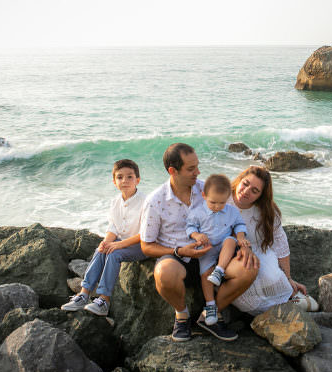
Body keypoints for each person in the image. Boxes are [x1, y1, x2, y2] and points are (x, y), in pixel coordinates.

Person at [140, 143, 259, 342]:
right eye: (191, 168)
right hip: (178, 259)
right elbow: (146, 245)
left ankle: (210, 314)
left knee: (249, 268)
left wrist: (244, 244)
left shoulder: (208, 188)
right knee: (164, 273)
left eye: (197, 166)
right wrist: (180, 251)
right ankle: (182, 315)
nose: (198, 172)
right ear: (173, 171)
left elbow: (234, 217)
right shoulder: (155, 201)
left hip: (216, 257)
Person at [61, 159, 147, 316]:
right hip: (123, 243)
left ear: (138, 180)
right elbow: (113, 228)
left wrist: (118, 245)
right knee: (102, 249)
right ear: (114, 182)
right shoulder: (115, 202)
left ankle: (104, 300)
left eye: (129, 177)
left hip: (143, 245)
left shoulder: (145, 202)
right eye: (120, 177)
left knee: (113, 253)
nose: (125, 181)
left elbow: (146, 234)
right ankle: (83, 294)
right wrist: (106, 242)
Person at [228, 165, 308, 316]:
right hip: (227, 255)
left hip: (257, 251)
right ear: (239, 180)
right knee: (247, 295)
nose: (246, 192)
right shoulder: (221, 197)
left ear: (261, 195)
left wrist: (288, 277)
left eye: (254, 191)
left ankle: (285, 303)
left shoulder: (266, 211)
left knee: (273, 278)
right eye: (245, 184)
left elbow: (280, 241)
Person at [186, 174, 249, 326]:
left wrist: (240, 236)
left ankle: (219, 270)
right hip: (206, 249)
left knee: (230, 240)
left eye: (222, 202)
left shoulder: (232, 211)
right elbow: (190, 227)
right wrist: (197, 235)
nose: (217, 206)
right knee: (205, 273)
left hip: (224, 248)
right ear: (204, 195)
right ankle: (210, 305)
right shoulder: (197, 212)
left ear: (228, 198)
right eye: (212, 202)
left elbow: (240, 224)